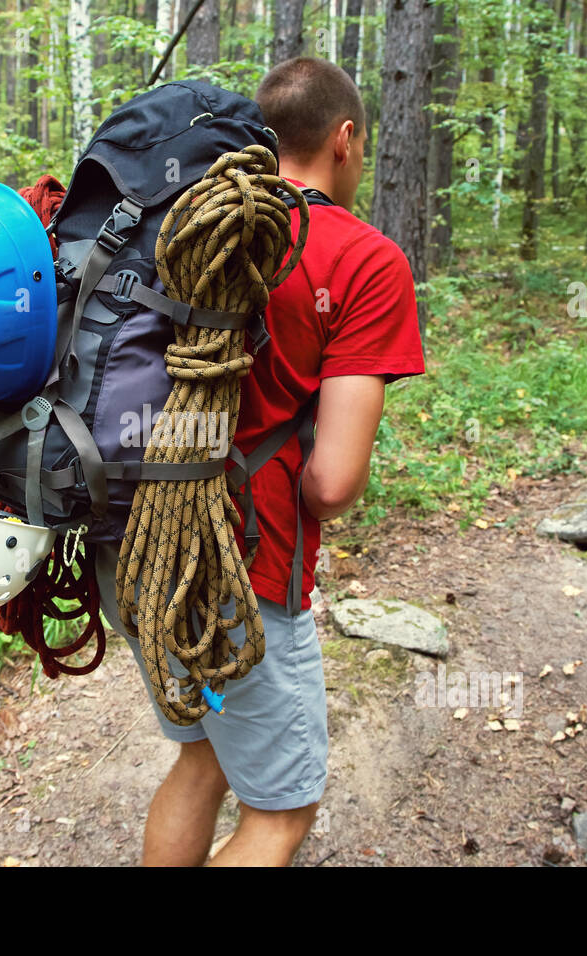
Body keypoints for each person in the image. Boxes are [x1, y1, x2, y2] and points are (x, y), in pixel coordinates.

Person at [94, 56, 427, 866]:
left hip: (130, 551)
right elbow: (332, 483)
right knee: (281, 811)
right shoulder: (364, 259)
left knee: (204, 754)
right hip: (238, 561)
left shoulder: (177, 224)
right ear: (345, 139)